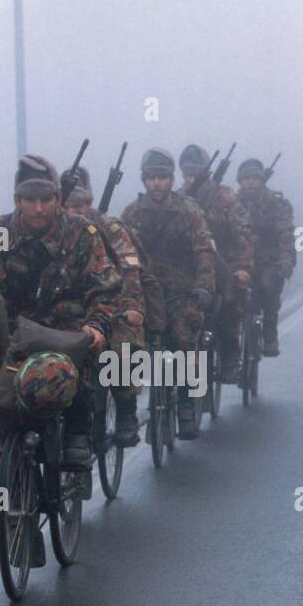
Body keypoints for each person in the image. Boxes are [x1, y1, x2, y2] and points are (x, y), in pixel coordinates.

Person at [0, 155, 121, 468]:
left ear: (59, 198)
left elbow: (105, 287)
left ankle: (77, 429)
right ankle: (8, 434)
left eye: (46, 199)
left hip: (66, 326)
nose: (38, 208)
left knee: (81, 359)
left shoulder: (83, 233)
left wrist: (97, 325)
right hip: (14, 328)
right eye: (30, 200)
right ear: (17, 199)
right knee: (0, 378)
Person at [63, 165, 165, 447]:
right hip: (70, 306)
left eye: (82, 204)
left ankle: (126, 411)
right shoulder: (54, 229)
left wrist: (132, 307)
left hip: (113, 299)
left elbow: (130, 271)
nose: (77, 211)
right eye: (71, 205)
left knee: (124, 346)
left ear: (90, 202)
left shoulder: (111, 228)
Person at [120, 148, 216, 440]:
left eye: (162, 177)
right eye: (152, 178)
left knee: (185, 338)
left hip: (181, 289)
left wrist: (204, 286)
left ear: (171, 179)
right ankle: (138, 407)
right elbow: (120, 253)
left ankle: (186, 403)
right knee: (132, 345)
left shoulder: (189, 211)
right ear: (144, 181)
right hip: (145, 291)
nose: (157, 184)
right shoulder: (132, 213)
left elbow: (204, 250)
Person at [178, 144, 254, 383]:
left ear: (206, 173)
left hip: (225, 260)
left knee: (230, 297)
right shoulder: (179, 199)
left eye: (195, 173)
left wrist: (243, 267)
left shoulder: (225, 198)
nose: (190, 179)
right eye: (187, 174)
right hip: (190, 262)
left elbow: (244, 235)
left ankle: (230, 354)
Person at [235, 158, 295, 356]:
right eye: (246, 179)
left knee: (269, 287)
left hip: (268, 261)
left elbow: (286, 235)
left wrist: (286, 261)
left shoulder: (276, 203)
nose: (251, 182)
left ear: (262, 181)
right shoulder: (231, 203)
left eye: (255, 178)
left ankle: (270, 334)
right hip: (238, 260)